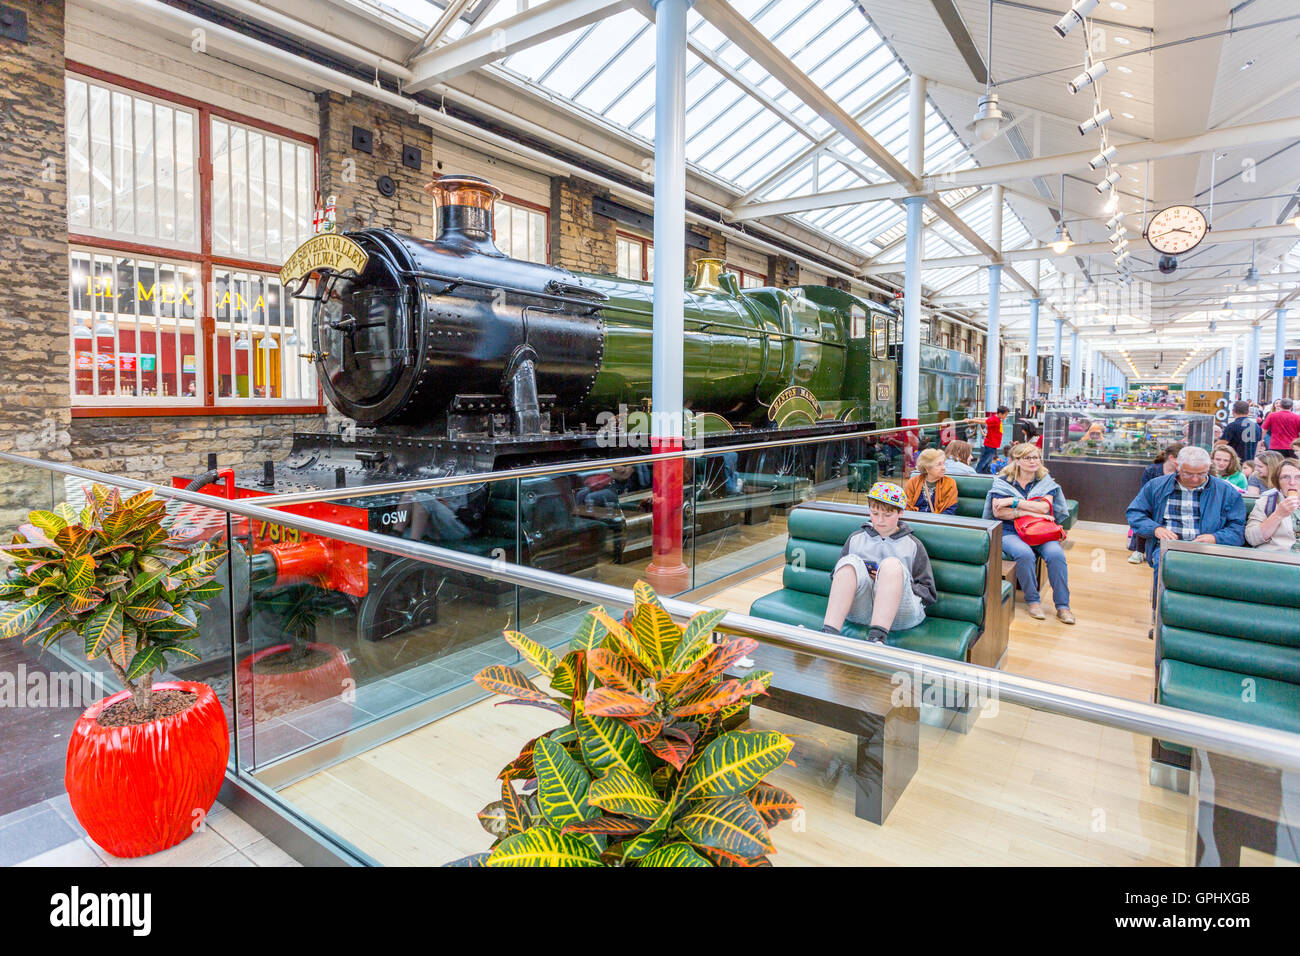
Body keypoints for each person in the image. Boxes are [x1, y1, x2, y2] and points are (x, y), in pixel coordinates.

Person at [1125, 446, 1247, 636]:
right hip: (1168, 547)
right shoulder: (1156, 486)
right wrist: (1155, 529)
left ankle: (1201, 623)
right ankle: (1161, 620)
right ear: (1178, 467)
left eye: (1202, 474)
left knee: (1208, 578)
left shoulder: (1225, 491)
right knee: (1164, 568)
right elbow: (1135, 513)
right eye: (1189, 474)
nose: (1196, 479)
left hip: (1208, 549)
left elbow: (1238, 528)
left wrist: (1216, 537)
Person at [821, 481, 937, 644]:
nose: (880, 520)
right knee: (849, 563)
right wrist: (864, 577)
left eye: (887, 515)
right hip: (862, 611)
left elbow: (928, 593)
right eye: (874, 513)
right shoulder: (855, 539)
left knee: (891, 566)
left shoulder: (913, 545)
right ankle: (828, 634)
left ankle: (877, 640)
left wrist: (891, 583)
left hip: (901, 614)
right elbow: (837, 578)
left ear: (900, 512)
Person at [983, 442, 1075, 624]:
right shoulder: (1003, 481)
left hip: (1039, 530)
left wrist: (1013, 502)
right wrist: (1028, 511)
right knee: (1024, 554)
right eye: (1027, 458)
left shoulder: (1045, 481)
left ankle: (1063, 606)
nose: (1033, 461)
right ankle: (1033, 601)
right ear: (1016, 461)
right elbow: (999, 512)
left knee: (1056, 554)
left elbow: (1044, 508)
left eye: (1036, 457)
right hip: (1010, 530)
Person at [1128, 444, 1183, 564]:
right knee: (1145, 516)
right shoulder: (1152, 470)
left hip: (1170, 505)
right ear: (1172, 458)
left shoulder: (1180, 472)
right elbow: (1144, 492)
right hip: (1153, 503)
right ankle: (1139, 550)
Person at [1245, 459, 1300, 552]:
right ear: (1277, 482)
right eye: (1285, 477)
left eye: (1298, 477)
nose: (1292, 482)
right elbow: (1252, 538)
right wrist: (1278, 515)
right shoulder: (1267, 501)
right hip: (1276, 557)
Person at [904, 448, 958, 515]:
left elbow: (950, 510)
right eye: (939, 464)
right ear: (927, 468)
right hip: (915, 518)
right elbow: (906, 506)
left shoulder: (949, 483)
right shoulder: (913, 482)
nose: (943, 468)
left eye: (944, 464)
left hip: (938, 520)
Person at [1222, 400, 1262, 465]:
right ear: (1248, 412)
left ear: (1233, 411)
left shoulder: (1232, 426)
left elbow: (1222, 444)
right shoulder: (1257, 426)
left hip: (1234, 463)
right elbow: (1258, 445)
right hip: (1250, 463)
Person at [976, 405, 1009, 474]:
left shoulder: (997, 420)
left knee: (989, 459)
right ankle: (978, 471)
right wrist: (971, 420)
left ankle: (985, 471)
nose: (1006, 416)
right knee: (985, 459)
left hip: (993, 444)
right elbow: (985, 422)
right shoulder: (995, 419)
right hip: (990, 444)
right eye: (1005, 415)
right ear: (1000, 414)